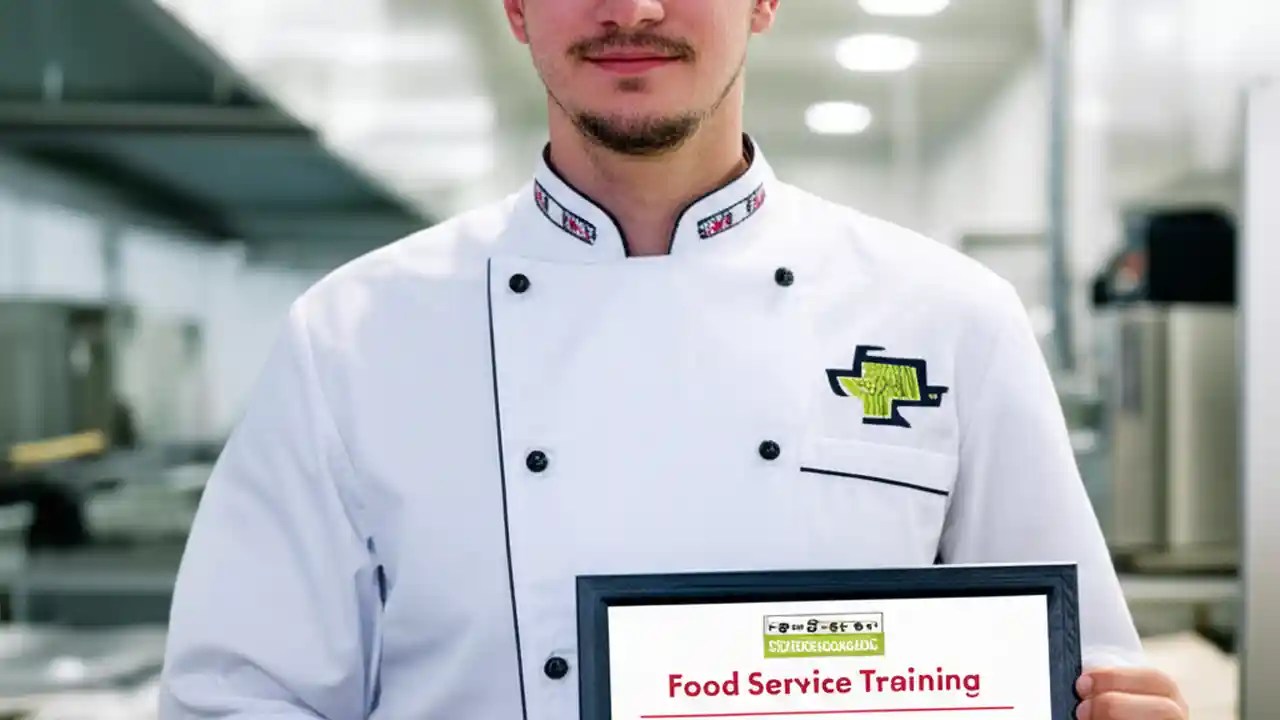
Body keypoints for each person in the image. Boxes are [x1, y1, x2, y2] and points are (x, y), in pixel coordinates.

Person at [158, 2, 1190, 719]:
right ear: (515, 7)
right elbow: (238, 699)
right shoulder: (354, 337)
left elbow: (1070, 668)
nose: (633, 9)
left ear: (764, 2)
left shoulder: (949, 318)